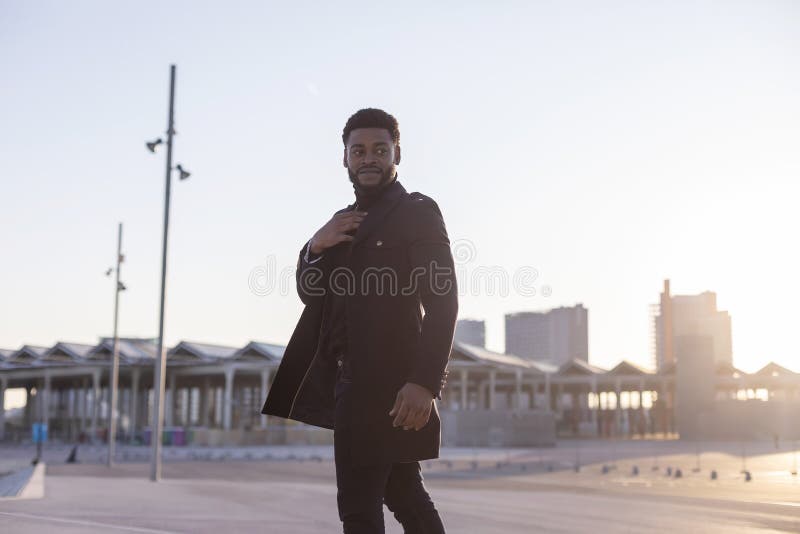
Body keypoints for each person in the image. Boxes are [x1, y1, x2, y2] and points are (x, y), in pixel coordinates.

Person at [262, 108, 458, 533]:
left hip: (393, 385)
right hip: (349, 381)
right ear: (345, 159)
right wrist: (315, 246)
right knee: (405, 496)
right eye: (359, 150)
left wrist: (425, 382)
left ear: (396, 155)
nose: (368, 158)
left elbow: (443, 303)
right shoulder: (341, 222)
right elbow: (310, 294)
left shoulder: (417, 211)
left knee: (358, 508)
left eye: (379, 150)